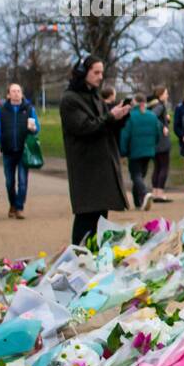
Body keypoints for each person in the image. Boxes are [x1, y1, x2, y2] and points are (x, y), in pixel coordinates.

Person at [60, 56, 131, 246]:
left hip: (101, 166)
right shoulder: (70, 99)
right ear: (84, 73)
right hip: (86, 167)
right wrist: (110, 117)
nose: (100, 77)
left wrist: (119, 117)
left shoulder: (94, 96)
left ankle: (93, 257)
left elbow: (104, 126)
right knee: (86, 217)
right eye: (96, 72)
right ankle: (78, 256)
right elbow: (84, 127)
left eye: (102, 72)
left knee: (100, 217)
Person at [0, 82, 39, 219]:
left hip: (23, 151)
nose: (16, 93)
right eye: (13, 91)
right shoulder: (2, 110)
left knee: (23, 181)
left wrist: (34, 129)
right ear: (8, 94)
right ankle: (12, 204)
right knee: (9, 182)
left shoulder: (29, 109)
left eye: (18, 91)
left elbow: (37, 128)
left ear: (22, 93)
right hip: (8, 151)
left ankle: (19, 207)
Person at [119, 94, 163, 210]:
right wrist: (153, 145)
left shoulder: (131, 117)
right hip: (149, 150)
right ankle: (138, 202)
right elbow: (158, 132)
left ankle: (143, 194)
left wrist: (122, 151)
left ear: (135, 102)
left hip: (134, 150)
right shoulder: (153, 116)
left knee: (136, 175)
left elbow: (125, 135)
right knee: (140, 175)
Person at [146, 86, 174, 203]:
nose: (167, 96)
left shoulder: (152, 105)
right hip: (162, 141)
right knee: (163, 167)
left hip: (154, 141)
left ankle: (155, 193)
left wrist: (166, 120)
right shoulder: (160, 106)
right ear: (161, 95)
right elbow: (152, 117)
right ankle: (160, 194)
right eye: (166, 93)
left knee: (157, 167)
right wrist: (163, 126)